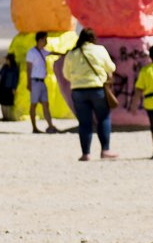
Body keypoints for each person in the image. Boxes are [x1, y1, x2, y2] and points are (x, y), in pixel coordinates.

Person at [61, 28, 118, 162]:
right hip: (97, 89)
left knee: (84, 123)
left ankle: (86, 153)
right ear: (93, 38)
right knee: (103, 118)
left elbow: (66, 74)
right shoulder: (99, 50)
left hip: (78, 90)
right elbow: (111, 67)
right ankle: (105, 150)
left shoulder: (72, 53)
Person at [25, 32, 59, 133]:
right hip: (35, 81)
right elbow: (28, 68)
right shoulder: (31, 52)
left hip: (42, 81)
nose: (46, 41)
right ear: (40, 40)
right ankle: (34, 127)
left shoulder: (43, 51)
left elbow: (52, 52)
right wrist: (29, 83)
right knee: (33, 104)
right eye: (45, 39)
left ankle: (50, 126)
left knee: (45, 103)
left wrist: (64, 53)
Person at [0, 52, 21, 119]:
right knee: (2, 103)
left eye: (7, 59)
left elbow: (15, 79)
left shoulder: (15, 69)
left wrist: (14, 88)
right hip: (2, 87)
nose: (6, 61)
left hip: (9, 88)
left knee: (8, 104)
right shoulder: (5, 67)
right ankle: (4, 117)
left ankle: (7, 117)